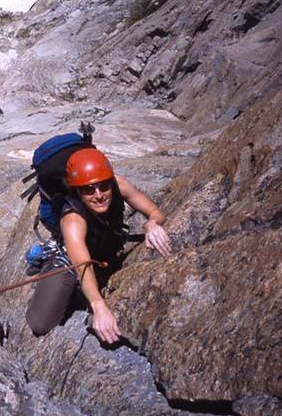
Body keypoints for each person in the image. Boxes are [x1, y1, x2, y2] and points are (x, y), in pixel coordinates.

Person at [25, 147, 172, 343]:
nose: (99, 195)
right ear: (77, 190)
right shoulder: (73, 220)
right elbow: (82, 265)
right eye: (88, 189)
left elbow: (154, 210)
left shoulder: (119, 184)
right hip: (71, 258)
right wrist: (99, 306)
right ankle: (47, 256)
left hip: (103, 250)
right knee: (40, 323)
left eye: (103, 186)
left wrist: (152, 224)